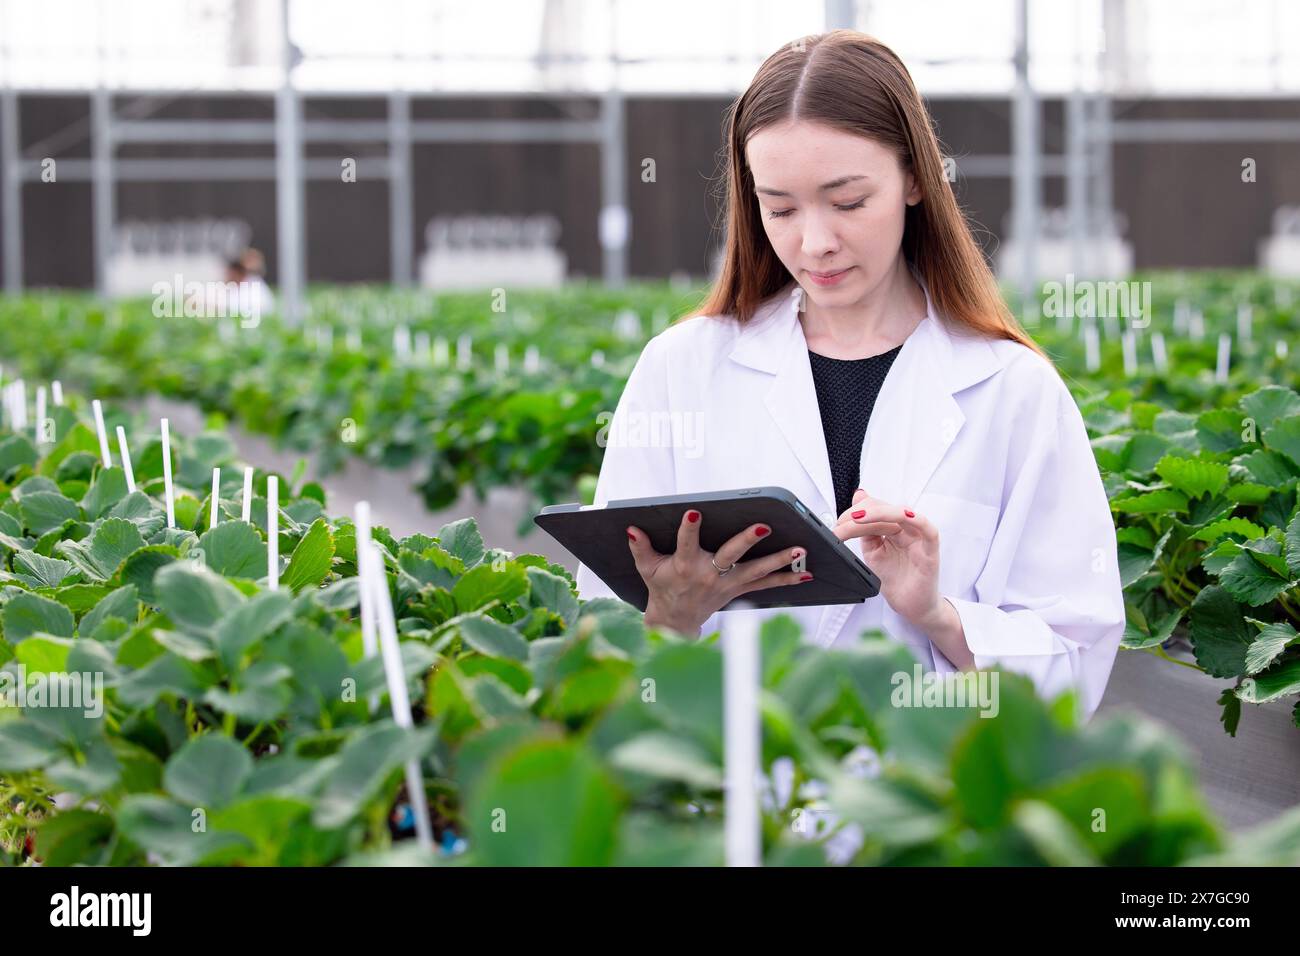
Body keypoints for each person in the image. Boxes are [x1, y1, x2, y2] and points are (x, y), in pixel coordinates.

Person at [574, 30, 1124, 720]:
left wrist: (939, 614)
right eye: (780, 208)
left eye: (848, 201)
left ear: (917, 178)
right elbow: (602, 646)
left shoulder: (1014, 390)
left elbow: (1074, 657)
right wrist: (669, 619)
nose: (815, 242)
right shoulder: (680, 371)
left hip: (932, 808)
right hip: (731, 804)